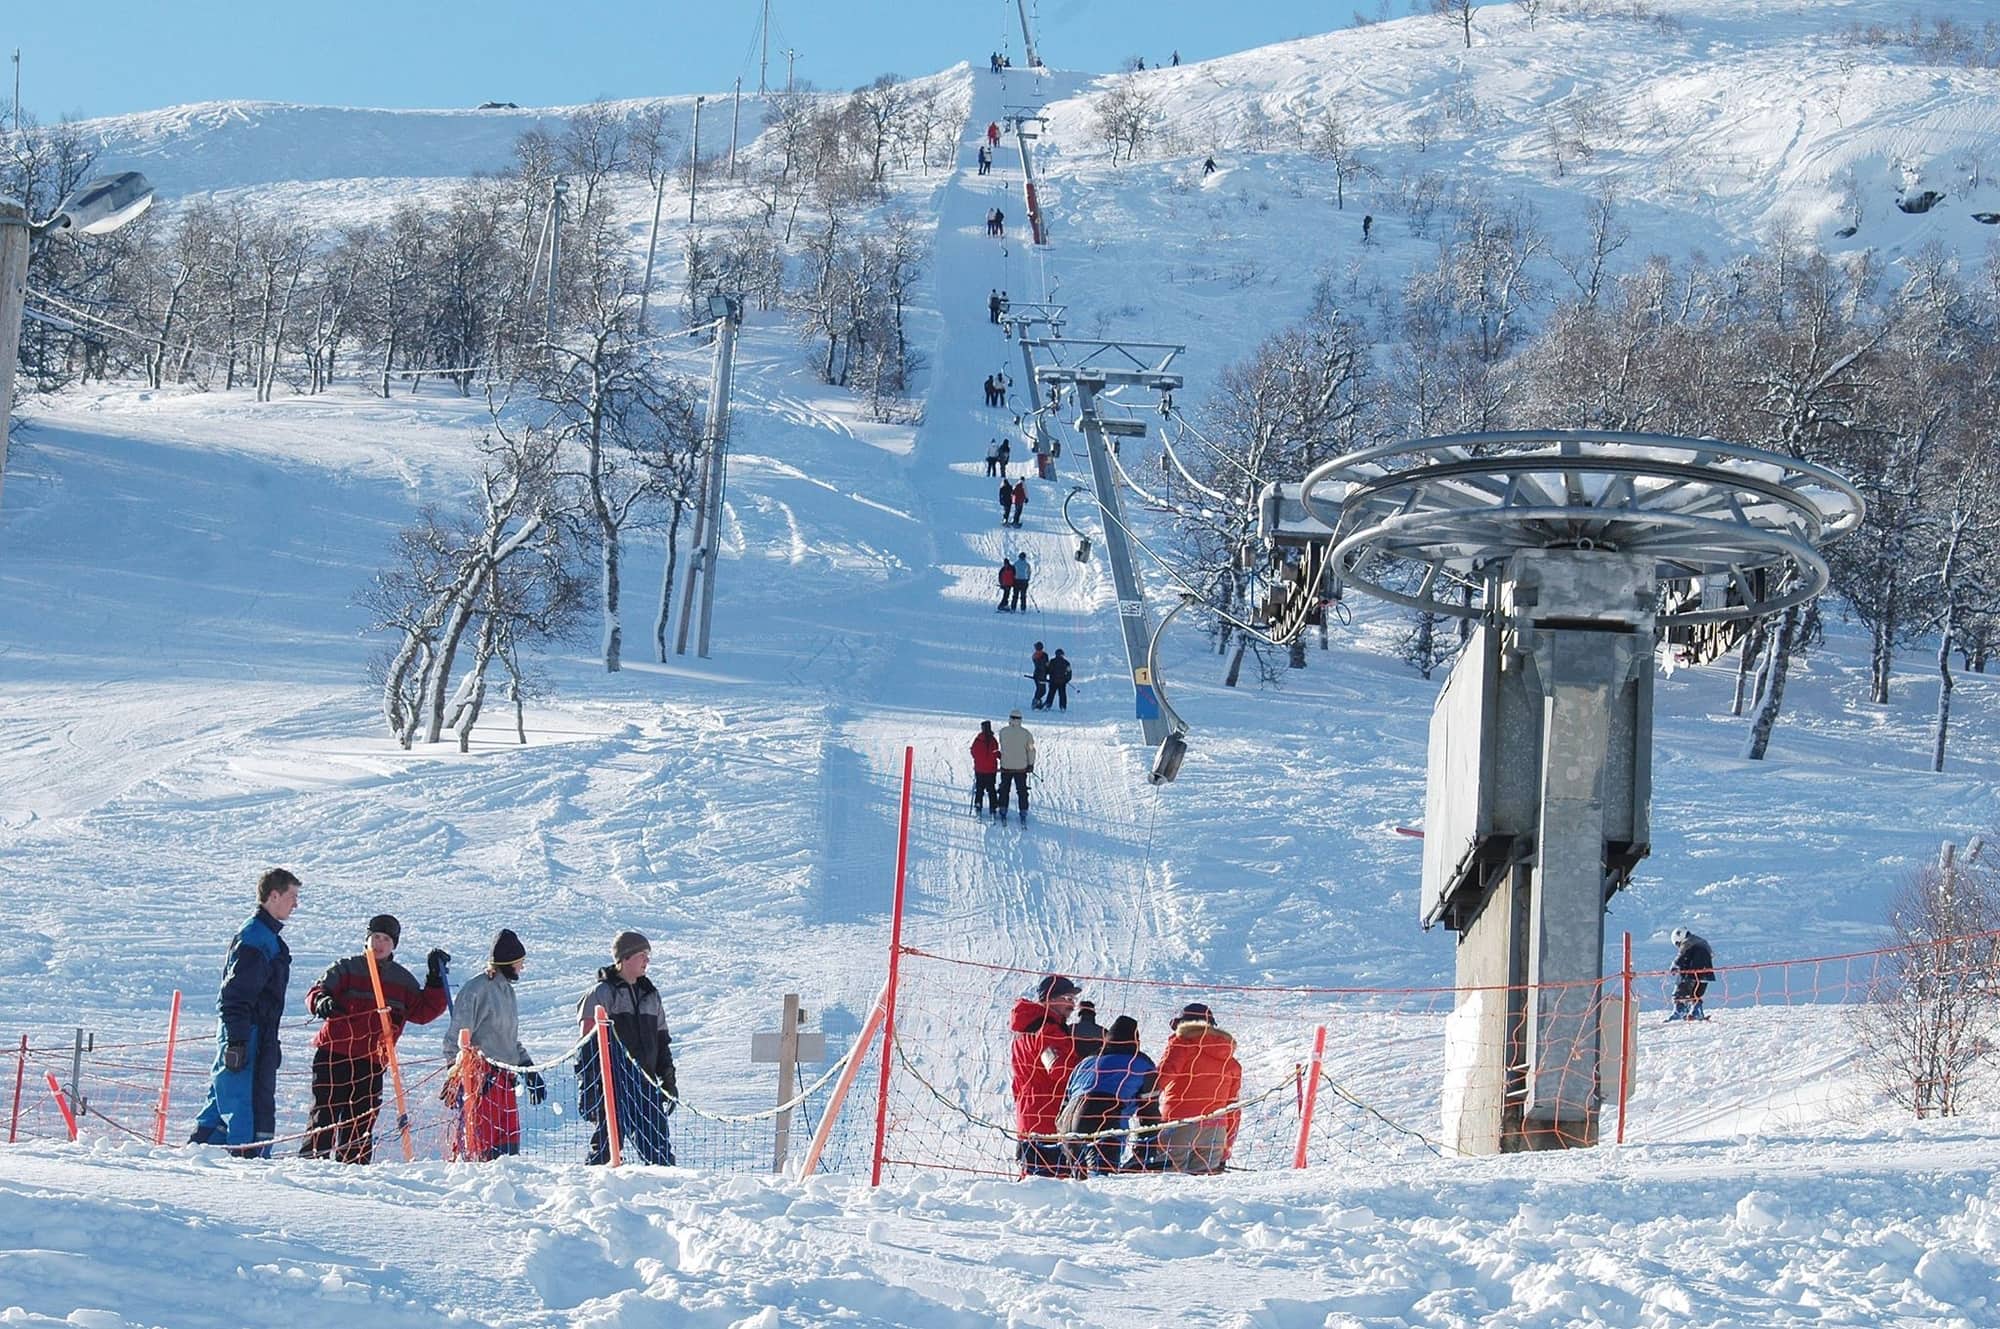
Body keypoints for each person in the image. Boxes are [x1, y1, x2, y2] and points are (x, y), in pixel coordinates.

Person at [301, 914, 449, 1164]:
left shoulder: (401, 980)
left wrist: (435, 979)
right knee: (324, 1113)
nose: (379, 944)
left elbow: (423, 1012)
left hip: (371, 1061)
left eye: (386, 940)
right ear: (367, 939)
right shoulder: (347, 967)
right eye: (375, 937)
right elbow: (317, 991)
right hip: (334, 1053)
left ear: (394, 945)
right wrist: (321, 1002)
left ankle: (353, 1168)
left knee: (361, 1119)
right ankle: (312, 1164)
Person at [190, 868, 299, 1157]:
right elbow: (234, 996)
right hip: (247, 1034)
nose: (295, 904)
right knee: (245, 1105)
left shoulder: (267, 937)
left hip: (258, 1034)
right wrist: (238, 1041)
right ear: (273, 896)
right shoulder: (255, 939)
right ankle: (245, 1166)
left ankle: (197, 1155)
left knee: (223, 1100)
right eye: (292, 897)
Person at [578, 932, 679, 1165]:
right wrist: (590, 1089)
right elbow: (585, 1048)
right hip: (612, 1086)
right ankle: (592, 1193)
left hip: (645, 1085)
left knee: (659, 1152)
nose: (647, 961)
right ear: (624, 958)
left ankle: (664, 1196)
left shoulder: (651, 996)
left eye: (648, 955)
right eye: (641, 955)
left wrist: (668, 1078)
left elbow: (662, 1041)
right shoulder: (601, 994)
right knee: (606, 1149)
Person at [443, 928, 543, 1161]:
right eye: (520, 962)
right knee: (481, 1147)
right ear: (508, 962)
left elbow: (508, 1038)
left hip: (505, 1079)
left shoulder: (507, 992)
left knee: (507, 1149)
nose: (522, 967)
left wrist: (528, 1068)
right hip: (481, 1079)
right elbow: (456, 1036)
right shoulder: (476, 990)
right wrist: (454, 1071)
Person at [1057, 1015, 1160, 1174]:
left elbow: (1066, 1100)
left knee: (1078, 1184)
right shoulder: (1141, 1063)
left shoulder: (1085, 1062)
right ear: (1136, 1041)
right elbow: (1149, 1111)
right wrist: (1146, 1149)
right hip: (1104, 1120)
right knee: (1101, 1183)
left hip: (1067, 1123)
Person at [1155, 1003, 1242, 1174]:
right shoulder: (1230, 1060)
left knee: (1167, 1181)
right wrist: (1226, 1145)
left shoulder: (1181, 1044)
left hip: (1179, 1122)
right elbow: (1233, 1107)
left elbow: (1160, 1080)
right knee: (1201, 1187)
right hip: (1215, 1128)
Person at [1010, 975, 1079, 1176]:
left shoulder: (1026, 1030)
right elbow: (1060, 1069)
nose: (1072, 1005)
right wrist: (1087, 1067)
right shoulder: (1047, 1028)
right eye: (1067, 998)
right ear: (1050, 998)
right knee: (1053, 1181)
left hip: (1029, 1109)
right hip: (1048, 1111)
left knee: (1034, 1178)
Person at [1668, 927, 1715, 1021]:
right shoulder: (1703, 942)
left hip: (1691, 973)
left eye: (1678, 943)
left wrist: (1675, 965)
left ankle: (1680, 1011)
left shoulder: (1688, 942)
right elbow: (1712, 955)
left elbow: (1682, 955)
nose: (1679, 946)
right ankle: (1697, 1011)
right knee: (1696, 994)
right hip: (1706, 973)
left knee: (1680, 991)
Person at [997, 708, 1035, 822]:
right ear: (1020, 720)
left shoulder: (1003, 731)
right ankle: (1023, 810)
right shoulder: (1027, 734)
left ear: (1009, 719)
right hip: (1021, 768)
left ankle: (1003, 808)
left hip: (1006, 766)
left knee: (1004, 789)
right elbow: (1031, 750)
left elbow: (1002, 745)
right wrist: (1030, 764)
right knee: (1022, 790)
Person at [970, 720, 1002, 814]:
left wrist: (978, 759)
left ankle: (978, 805)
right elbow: (996, 753)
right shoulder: (993, 740)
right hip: (991, 770)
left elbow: (973, 752)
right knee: (991, 789)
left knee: (979, 789)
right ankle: (993, 807)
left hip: (979, 769)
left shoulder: (978, 740)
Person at [1031, 641, 1051, 710]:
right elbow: (1042, 666)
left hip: (1042, 675)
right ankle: (1035, 702)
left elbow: (1047, 665)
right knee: (1040, 690)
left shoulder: (1044, 655)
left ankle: (1037, 701)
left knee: (1042, 690)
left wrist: (1049, 670)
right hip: (1039, 676)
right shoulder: (1036, 656)